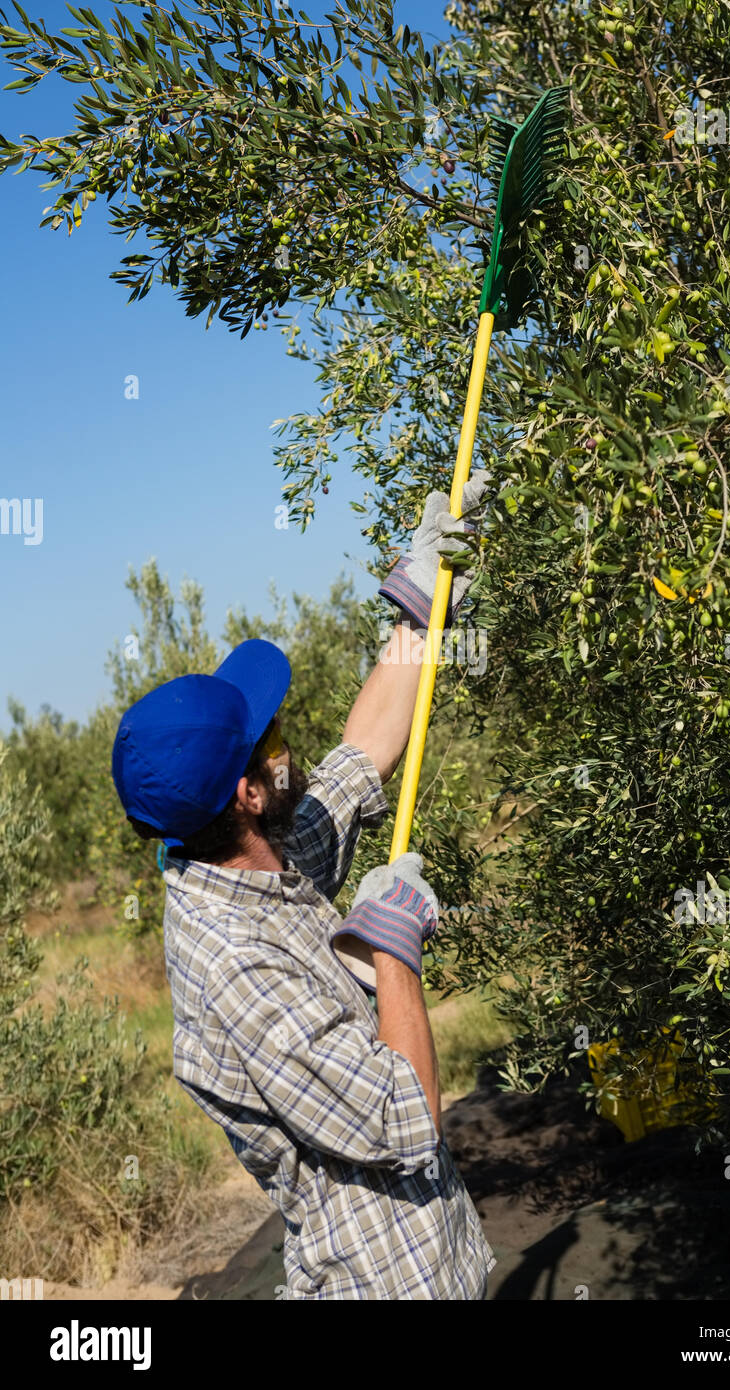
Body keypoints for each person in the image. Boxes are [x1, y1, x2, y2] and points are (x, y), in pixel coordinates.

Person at [111, 471, 497, 1299]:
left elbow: (364, 757)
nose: (287, 740)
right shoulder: (233, 967)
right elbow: (407, 1117)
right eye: (272, 738)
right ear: (247, 794)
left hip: (438, 1258)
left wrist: (420, 609)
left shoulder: (255, 861)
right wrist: (393, 947)